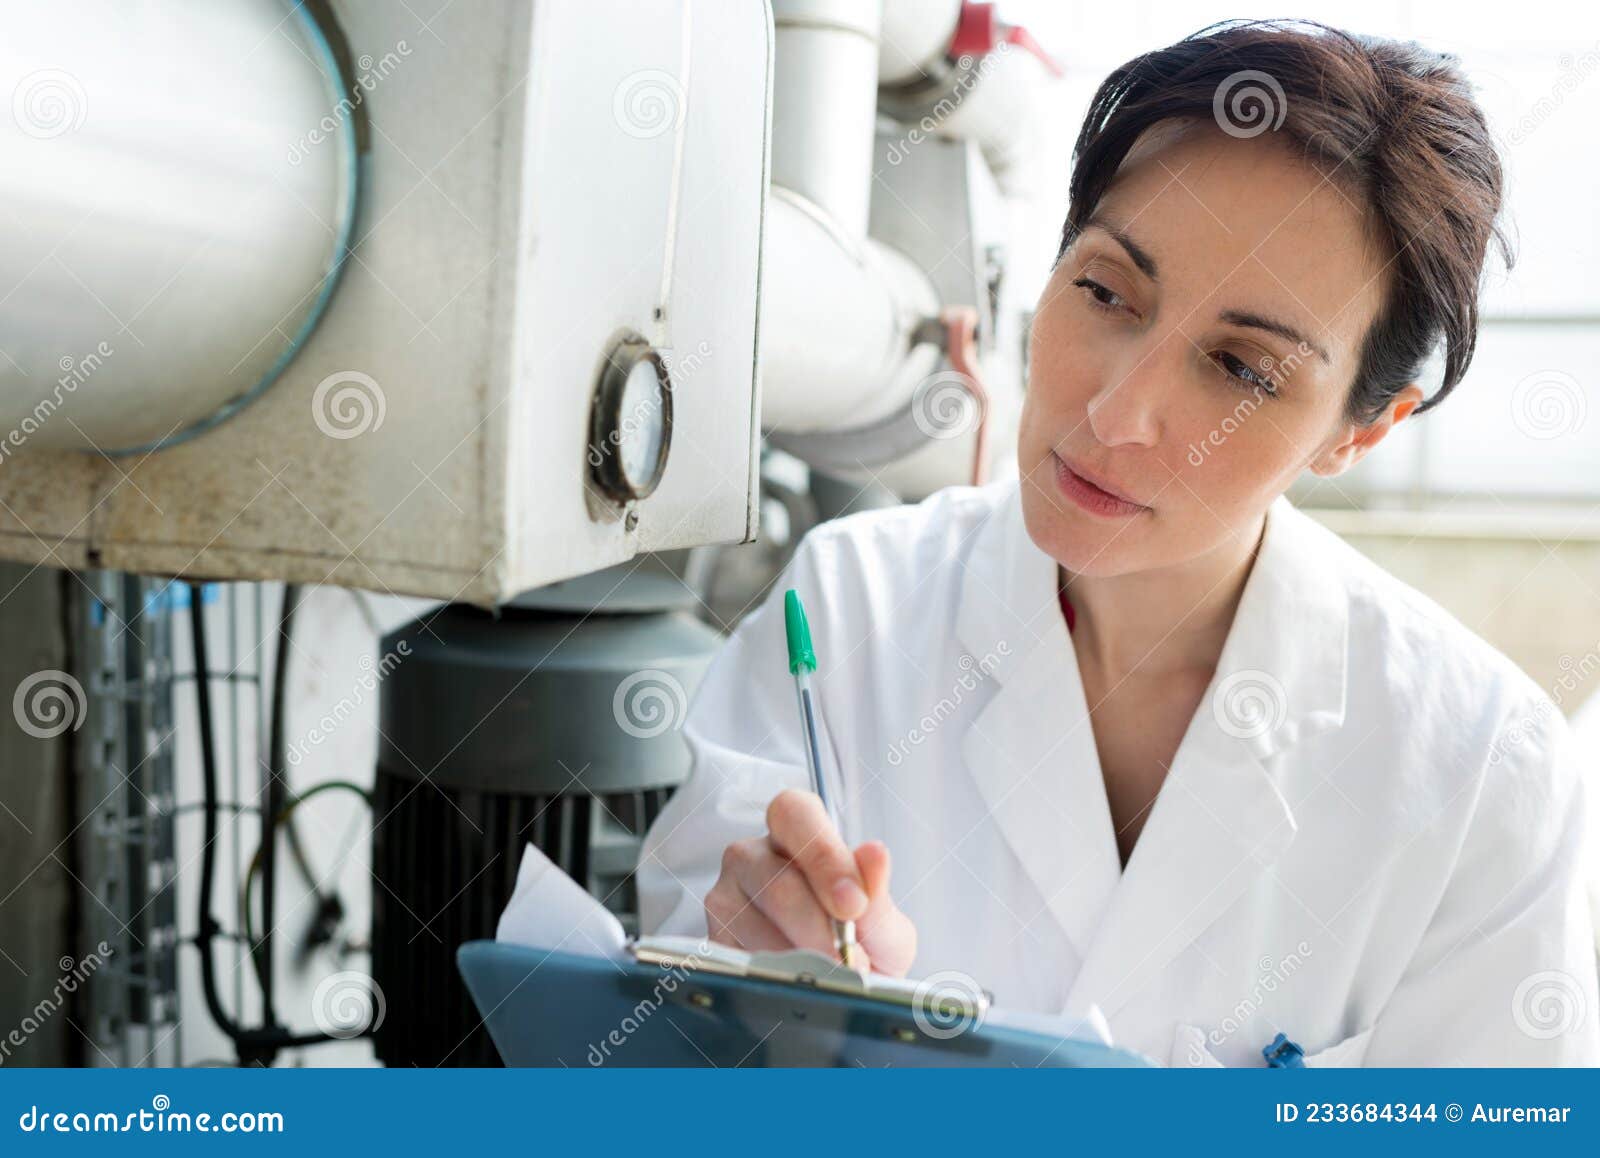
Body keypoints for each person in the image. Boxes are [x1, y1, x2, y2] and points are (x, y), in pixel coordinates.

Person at [635, 19, 1600, 1066]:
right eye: (1104, 291)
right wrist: (757, 983)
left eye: (1242, 370)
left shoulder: (1478, 773)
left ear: (1362, 430)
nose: (1115, 414)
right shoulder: (842, 610)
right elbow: (666, 1031)